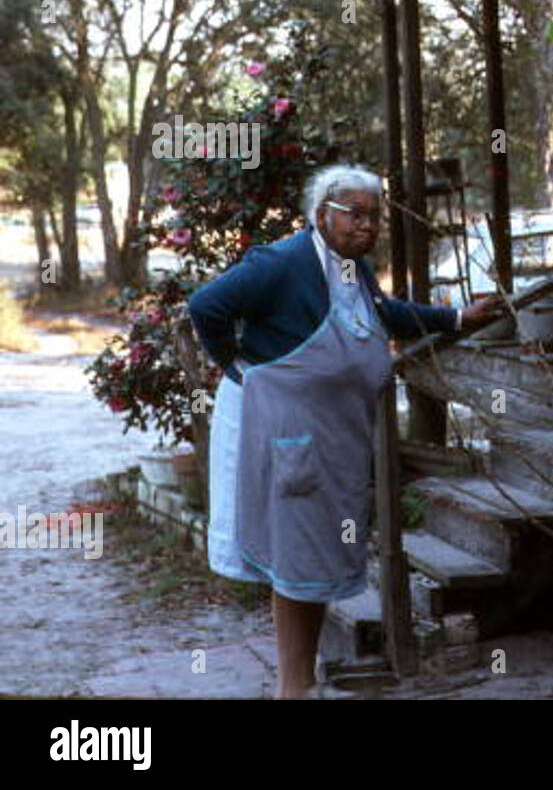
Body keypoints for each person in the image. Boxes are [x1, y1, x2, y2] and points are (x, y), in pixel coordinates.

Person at [188, 164, 502, 698]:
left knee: (312, 561)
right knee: (294, 560)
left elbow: (386, 315)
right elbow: (205, 306)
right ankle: (293, 689)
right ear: (321, 214)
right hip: (284, 435)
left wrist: (454, 319)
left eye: (374, 216)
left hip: (331, 437)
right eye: (354, 214)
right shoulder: (284, 262)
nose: (367, 226)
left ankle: (303, 683)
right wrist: (237, 367)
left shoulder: (353, 268)